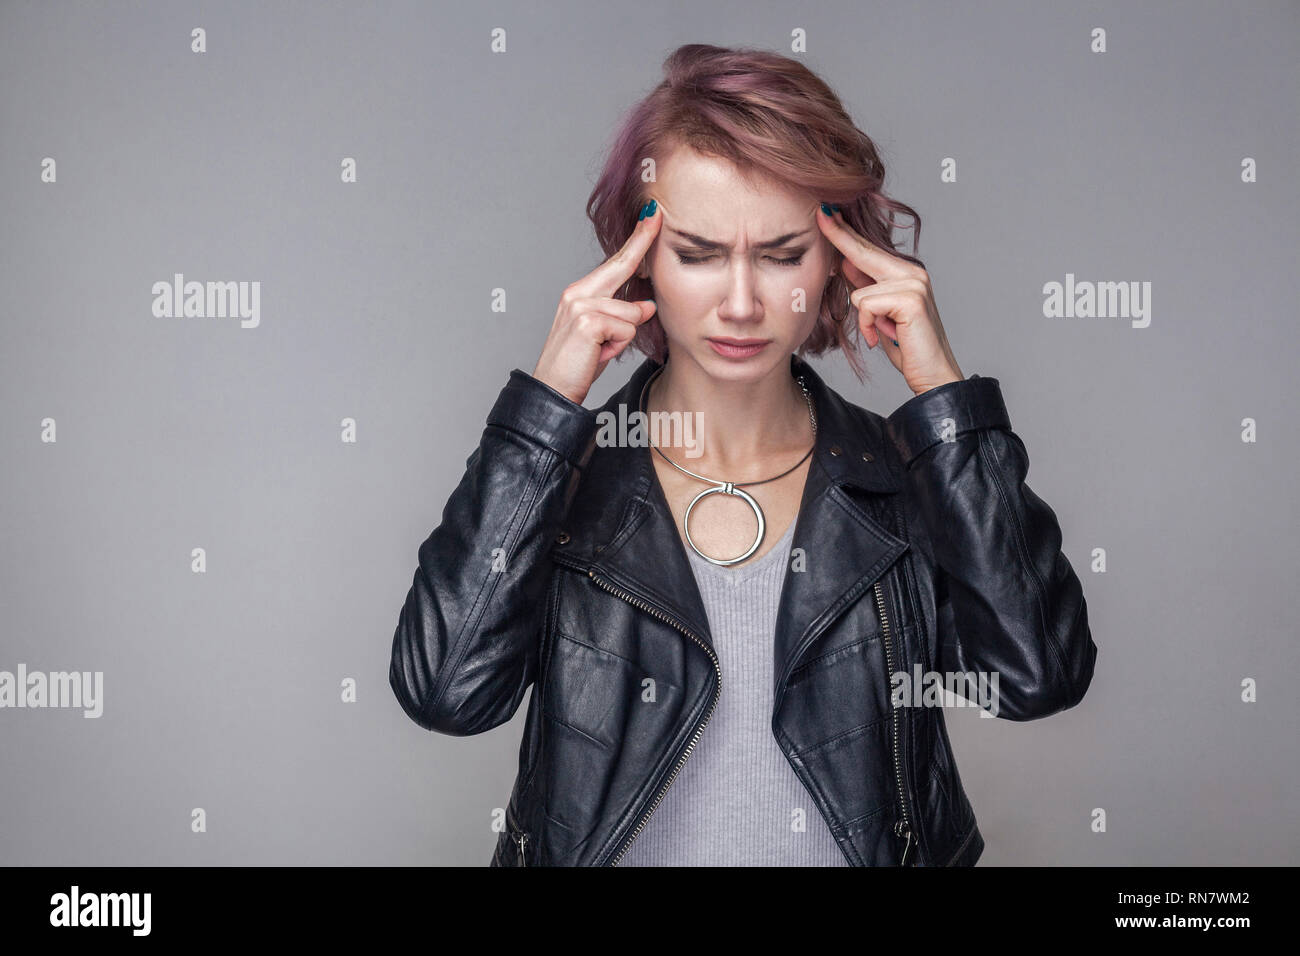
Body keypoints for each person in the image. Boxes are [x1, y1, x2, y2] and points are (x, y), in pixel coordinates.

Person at [389, 43, 1097, 866]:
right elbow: (446, 693)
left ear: (841, 257)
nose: (740, 303)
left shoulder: (904, 479)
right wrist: (545, 409)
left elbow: (1038, 676)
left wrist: (942, 396)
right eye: (696, 253)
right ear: (638, 254)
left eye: (782, 255)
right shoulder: (565, 485)